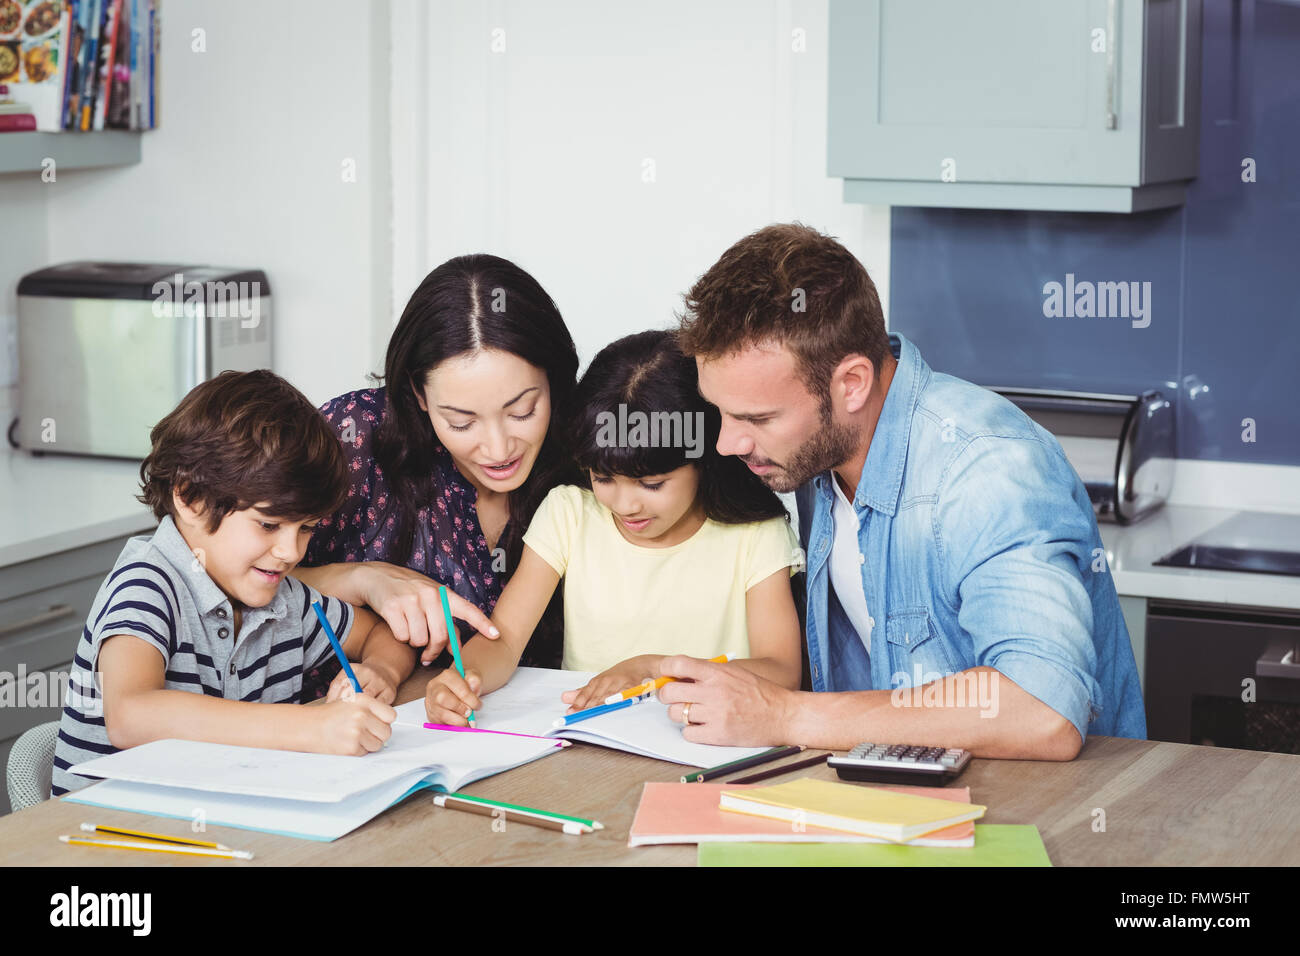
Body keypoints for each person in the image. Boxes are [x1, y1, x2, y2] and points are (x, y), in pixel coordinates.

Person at [656, 222, 1146, 758]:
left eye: (758, 417)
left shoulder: (987, 469)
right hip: (904, 807)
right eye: (719, 412)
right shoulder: (817, 452)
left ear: (852, 384)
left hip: (1050, 820)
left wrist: (782, 714)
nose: (727, 443)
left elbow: (1043, 711)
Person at [52, 371, 417, 796]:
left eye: (306, 528)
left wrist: (380, 670)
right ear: (189, 497)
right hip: (110, 838)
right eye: (269, 524)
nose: (291, 552)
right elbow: (131, 715)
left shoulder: (285, 601)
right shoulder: (148, 584)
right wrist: (311, 727)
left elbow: (381, 631)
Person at [423, 330, 804, 723]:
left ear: (703, 459)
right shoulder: (569, 513)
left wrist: (654, 669)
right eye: (603, 478)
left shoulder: (755, 534)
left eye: (652, 484)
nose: (625, 505)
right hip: (588, 745)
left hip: (703, 746)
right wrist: (463, 679)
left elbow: (782, 671)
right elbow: (504, 641)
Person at [292, 255, 581, 695]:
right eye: (462, 422)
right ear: (417, 393)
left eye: (522, 411)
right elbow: (220, 580)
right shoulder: (355, 436)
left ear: (554, 381)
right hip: (332, 731)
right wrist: (361, 579)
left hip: (534, 743)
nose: (499, 449)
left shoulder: (594, 460)